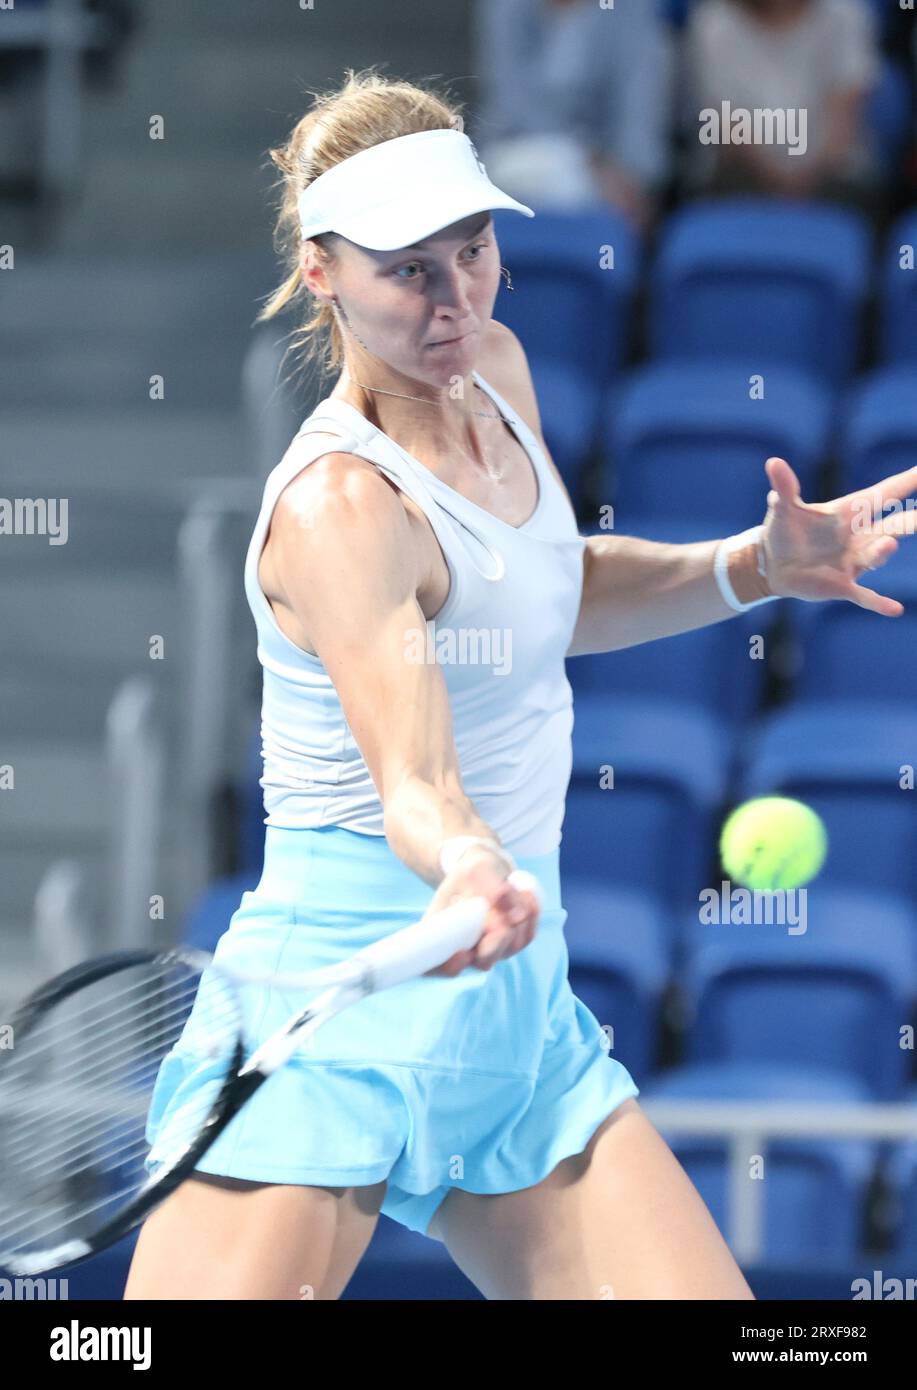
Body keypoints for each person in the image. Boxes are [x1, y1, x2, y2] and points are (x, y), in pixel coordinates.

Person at [124, 68, 916, 1301]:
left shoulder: (491, 363)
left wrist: (750, 566)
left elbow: (538, 587)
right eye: (409, 272)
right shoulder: (341, 506)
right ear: (323, 273)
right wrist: (466, 859)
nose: (454, 301)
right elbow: (415, 775)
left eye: (473, 251)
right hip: (331, 1009)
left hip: (512, 1018)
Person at [471, 0, 674, 231]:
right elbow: (510, 101)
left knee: (588, 199)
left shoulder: (631, 10)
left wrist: (631, 176)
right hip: (517, 152)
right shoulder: (506, 7)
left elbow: (639, 108)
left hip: (608, 171)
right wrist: (583, 159)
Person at [682, 0, 882, 206]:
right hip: (740, 173)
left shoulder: (846, 17)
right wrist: (777, 179)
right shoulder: (712, 23)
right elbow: (727, 122)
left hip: (832, 174)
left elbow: (842, 120)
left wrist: (805, 178)